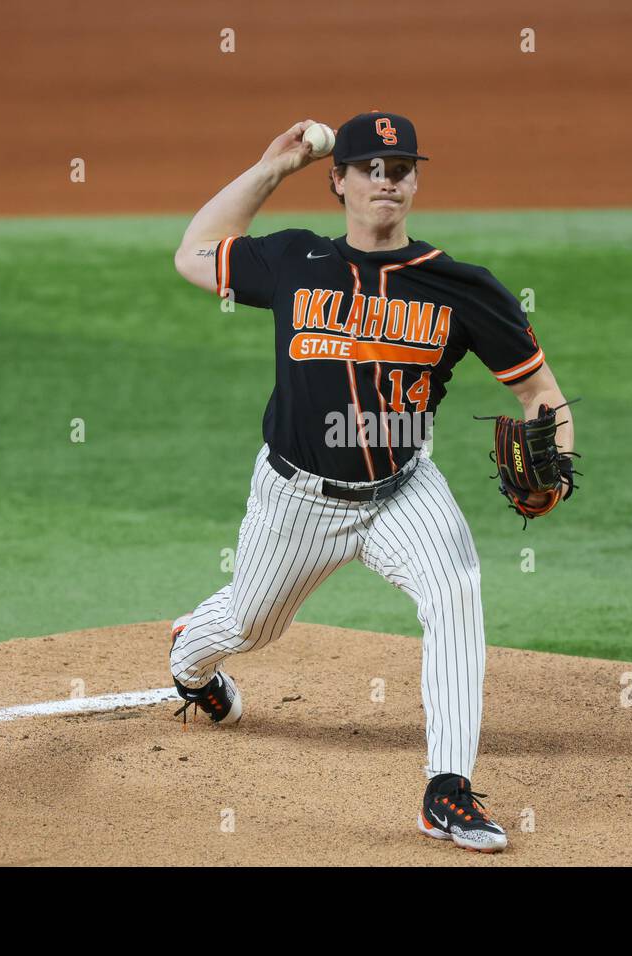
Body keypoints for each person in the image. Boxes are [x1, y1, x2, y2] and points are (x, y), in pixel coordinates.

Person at [170, 111, 576, 853]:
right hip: (296, 498)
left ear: (416, 181)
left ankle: (446, 790)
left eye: (401, 169)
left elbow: (539, 393)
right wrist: (271, 168)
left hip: (403, 488)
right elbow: (193, 254)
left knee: (455, 592)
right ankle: (189, 661)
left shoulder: (462, 287)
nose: (387, 181)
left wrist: (557, 474)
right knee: (251, 625)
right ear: (339, 180)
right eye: (371, 169)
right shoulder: (293, 259)